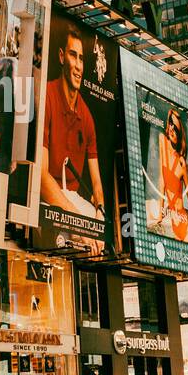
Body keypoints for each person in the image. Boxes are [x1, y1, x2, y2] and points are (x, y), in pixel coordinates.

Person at [39, 28, 107, 241]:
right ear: (61, 57)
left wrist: (100, 212)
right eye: (72, 55)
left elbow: (96, 184)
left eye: (81, 59)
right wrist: (79, 224)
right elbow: (40, 178)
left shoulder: (87, 117)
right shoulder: (47, 96)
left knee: (99, 236)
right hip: (48, 198)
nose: (78, 66)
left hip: (73, 201)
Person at [156, 107, 188, 243]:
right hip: (172, 218)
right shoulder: (162, 141)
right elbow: (161, 179)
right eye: (170, 124)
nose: (172, 130)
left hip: (183, 218)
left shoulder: (181, 162)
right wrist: (160, 211)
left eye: (176, 130)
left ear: (180, 134)